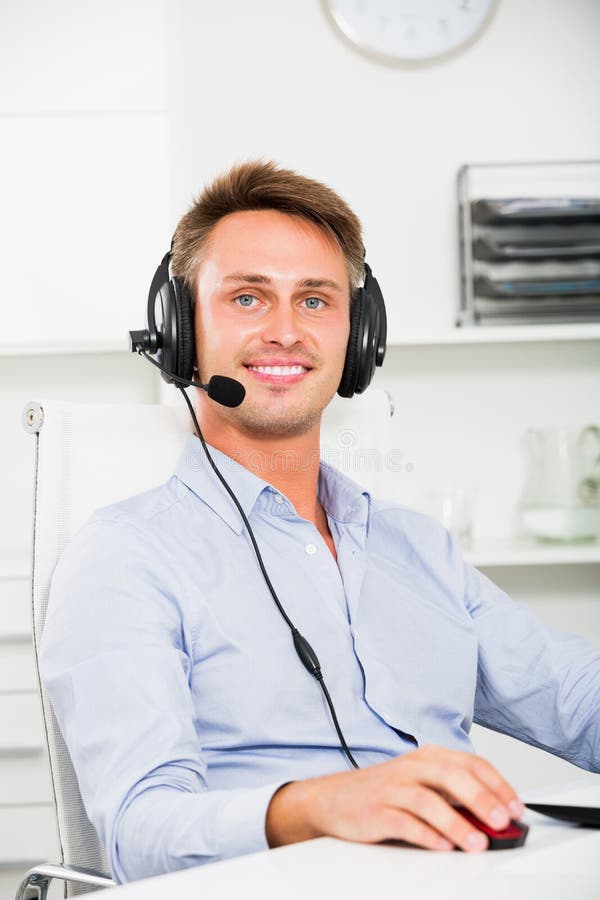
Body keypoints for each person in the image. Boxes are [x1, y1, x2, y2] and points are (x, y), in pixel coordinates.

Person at [40, 161, 600, 883]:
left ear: (358, 335)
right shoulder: (123, 557)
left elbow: (573, 698)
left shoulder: (416, 546)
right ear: (181, 330)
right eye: (246, 297)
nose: (284, 331)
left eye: (315, 300)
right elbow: (140, 830)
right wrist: (319, 806)